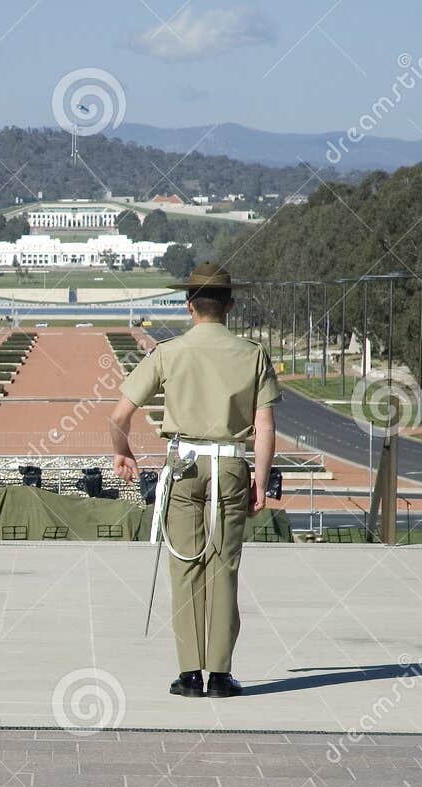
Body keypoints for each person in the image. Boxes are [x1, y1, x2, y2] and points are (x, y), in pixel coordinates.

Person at [110, 262, 277, 699]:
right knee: (223, 569)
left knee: (185, 567)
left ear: (189, 308)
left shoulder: (168, 352)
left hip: (183, 467)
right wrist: (259, 480)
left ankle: (189, 674)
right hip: (231, 465)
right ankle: (220, 676)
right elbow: (264, 426)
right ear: (230, 306)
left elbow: (119, 415)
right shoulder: (253, 354)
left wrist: (122, 451)